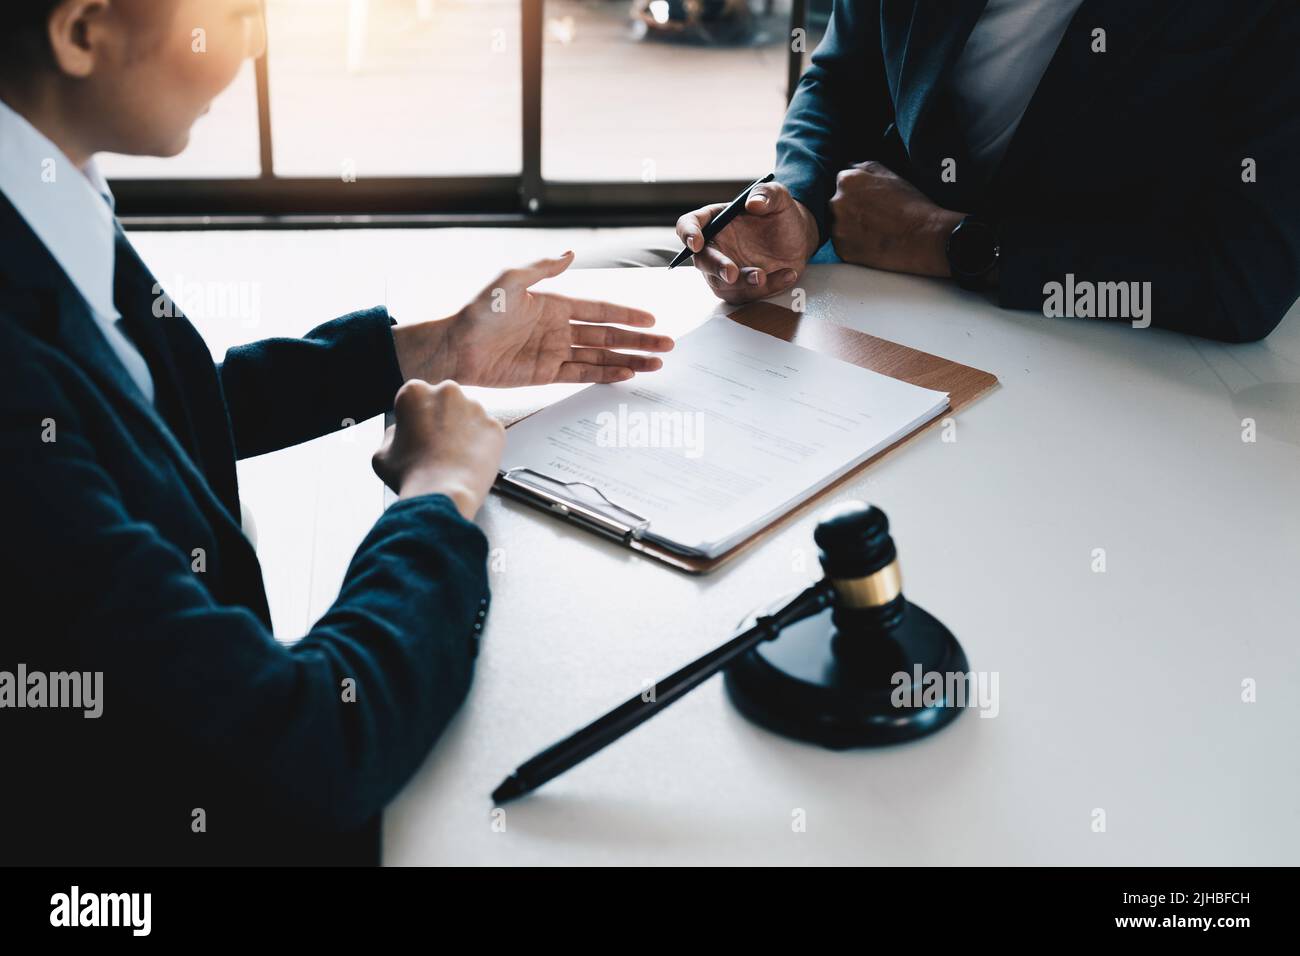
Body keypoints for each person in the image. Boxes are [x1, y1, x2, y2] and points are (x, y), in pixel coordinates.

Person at [0, 0, 673, 865]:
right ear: (82, 30)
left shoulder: (45, 193)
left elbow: (140, 419)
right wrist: (438, 494)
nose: (261, 38)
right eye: (238, 13)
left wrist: (435, 348)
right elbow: (311, 745)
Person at [669, 0, 1299, 342]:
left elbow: (1243, 282)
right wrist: (800, 205)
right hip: (880, 304)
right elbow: (844, 77)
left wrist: (950, 242)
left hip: (1113, 352)